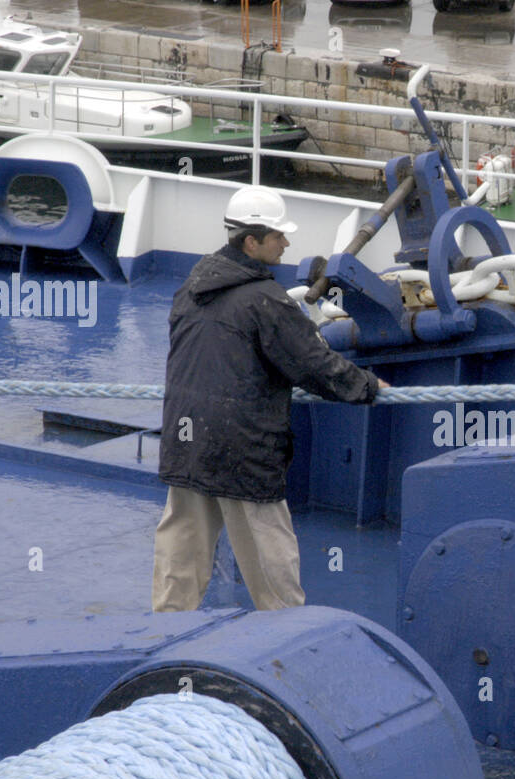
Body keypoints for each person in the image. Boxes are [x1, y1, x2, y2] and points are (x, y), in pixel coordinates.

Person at [152, 185, 386, 612]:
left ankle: (163, 644)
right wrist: (367, 386)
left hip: (185, 441)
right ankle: (284, 642)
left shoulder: (189, 288)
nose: (287, 243)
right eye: (279, 236)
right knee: (273, 572)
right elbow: (313, 364)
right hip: (243, 450)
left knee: (179, 566)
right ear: (251, 242)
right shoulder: (266, 300)